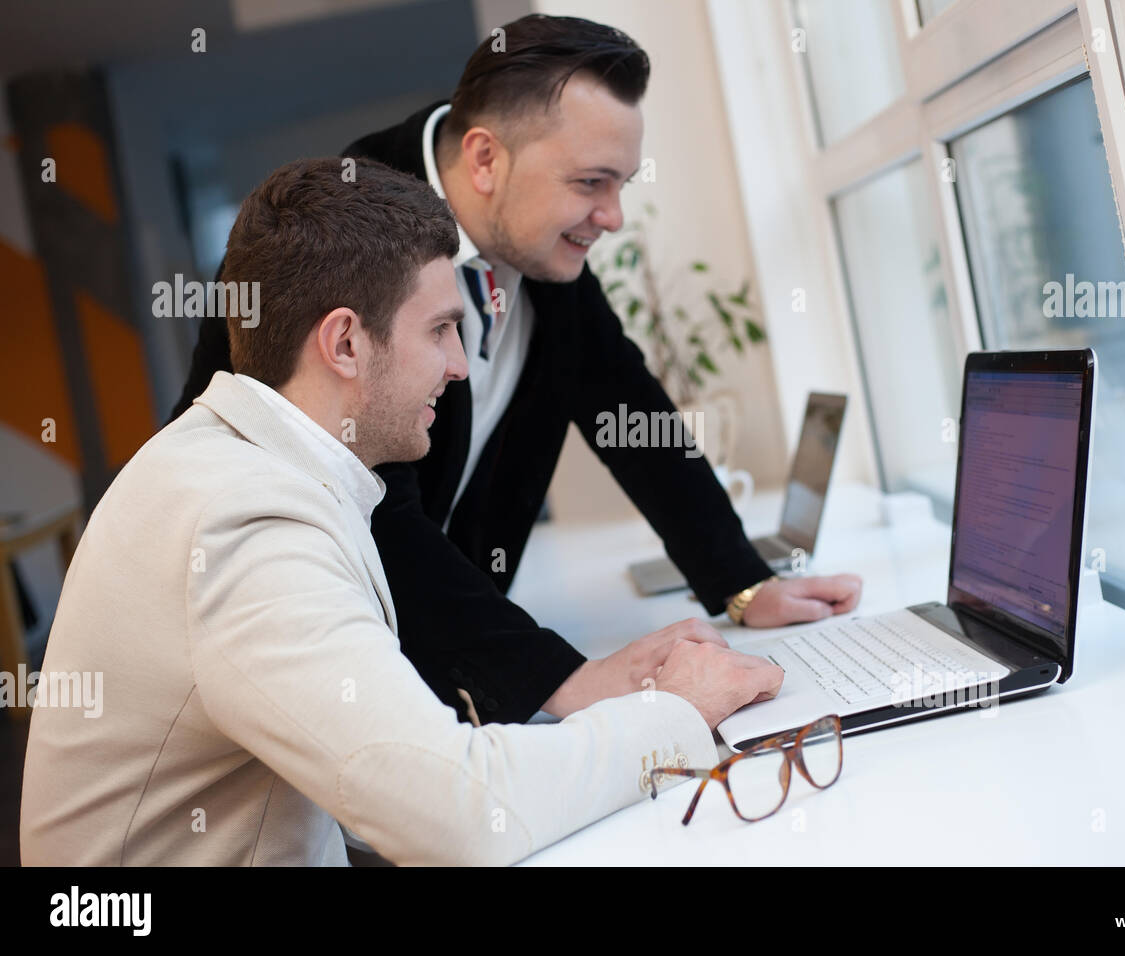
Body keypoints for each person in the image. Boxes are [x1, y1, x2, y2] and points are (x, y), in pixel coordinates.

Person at [20, 158, 783, 866]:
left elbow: (376, 777)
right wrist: (675, 712)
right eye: (442, 328)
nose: (460, 365)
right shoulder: (246, 525)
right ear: (346, 343)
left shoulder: (238, 464)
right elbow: (458, 816)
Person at [171, 14, 861, 727]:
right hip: (275, 679)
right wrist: (565, 682)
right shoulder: (334, 242)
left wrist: (743, 583)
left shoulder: (537, 245)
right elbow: (368, 507)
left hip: (435, 656)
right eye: (592, 181)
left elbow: (626, 405)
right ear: (485, 159)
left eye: (621, 183)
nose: (614, 215)